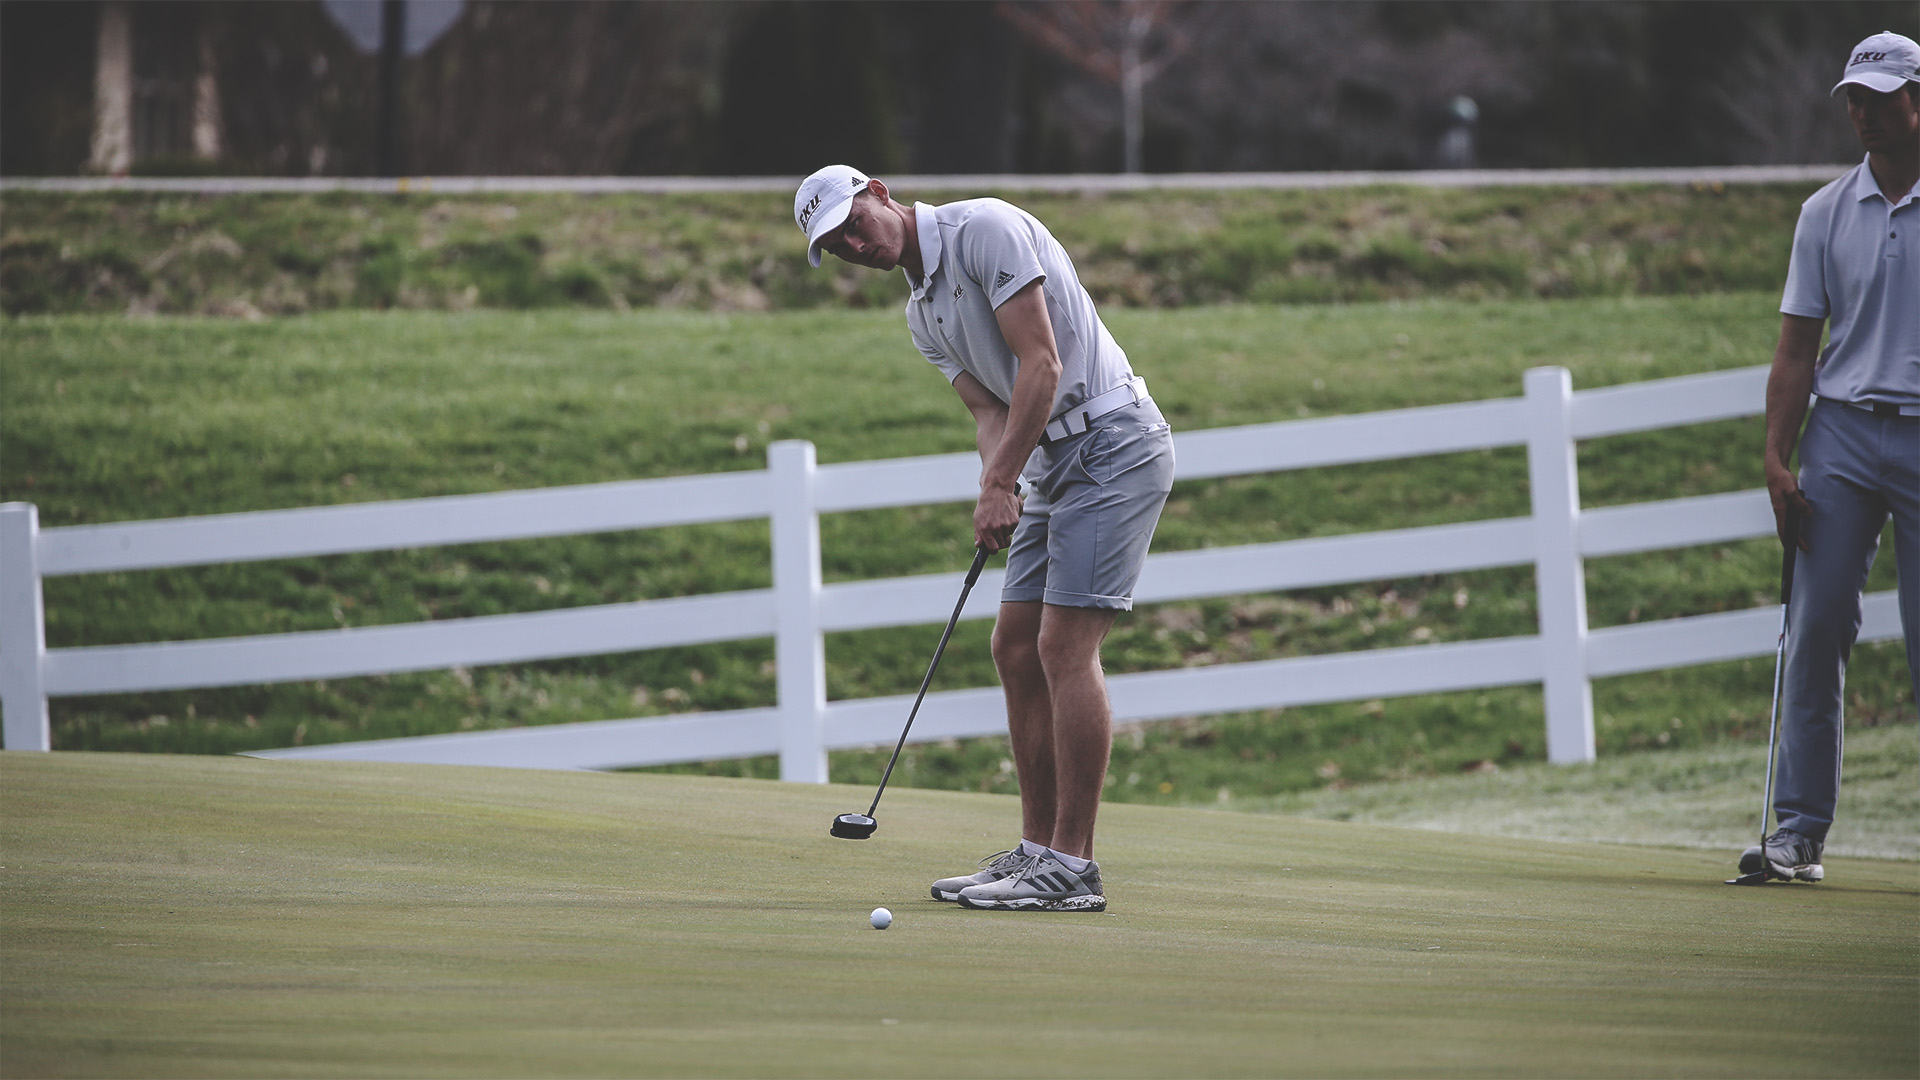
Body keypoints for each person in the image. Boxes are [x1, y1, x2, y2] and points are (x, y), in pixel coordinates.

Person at [794, 165, 1174, 911]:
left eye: (854, 225)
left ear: (879, 191)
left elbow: (1043, 363)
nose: (855, 247)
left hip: (1113, 444)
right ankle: (1036, 853)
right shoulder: (921, 314)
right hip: (1049, 463)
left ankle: (1072, 864)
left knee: (1064, 647)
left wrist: (1001, 482)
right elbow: (990, 413)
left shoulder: (985, 230)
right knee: (1014, 646)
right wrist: (996, 485)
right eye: (837, 247)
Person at [1746, 31, 1919, 883]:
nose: (1864, 114)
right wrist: (1777, 457)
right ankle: (1799, 833)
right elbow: (1795, 350)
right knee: (1814, 631)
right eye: (1855, 100)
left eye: (1880, 100)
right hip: (1842, 436)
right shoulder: (1823, 213)